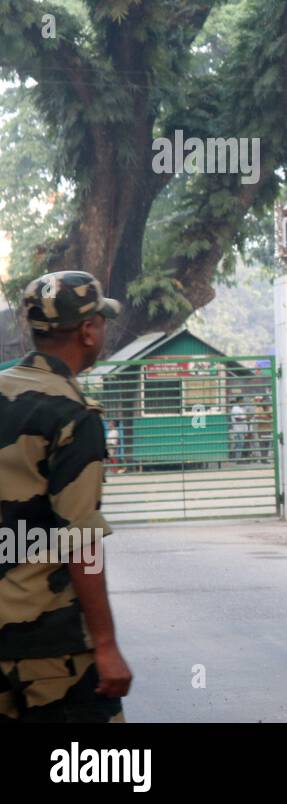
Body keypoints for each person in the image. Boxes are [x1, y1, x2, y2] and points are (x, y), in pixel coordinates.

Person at [0, 271, 131, 721]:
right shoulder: (73, 415)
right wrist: (106, 645)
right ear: (88, 331)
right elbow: (81, 542)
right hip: (50, 646)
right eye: (101, 321)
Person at [231, 394, 251, 462]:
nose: (243, 402)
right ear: (239, 400)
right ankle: (237, 459)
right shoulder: (235, 408)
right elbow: (237, 418)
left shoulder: (240, 408)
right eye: (242, 400)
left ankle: (236, 458)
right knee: (239, 445)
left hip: (241, 429)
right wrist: (246, 418)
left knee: (239, 444)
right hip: (238, 430)